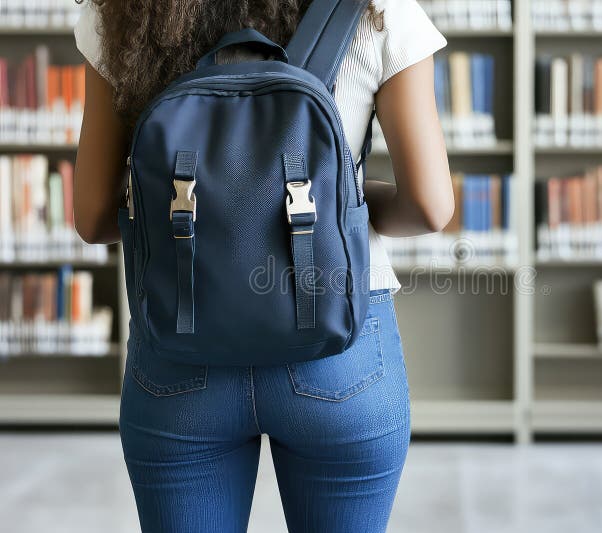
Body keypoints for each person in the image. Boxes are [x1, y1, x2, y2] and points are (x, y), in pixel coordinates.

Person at [72, 1, 453, 531]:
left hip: (181, 349)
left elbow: (93, 217)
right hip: (337, 349)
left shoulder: (121, 13)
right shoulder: (377, 10)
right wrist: (327, 199)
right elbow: (430, 206)